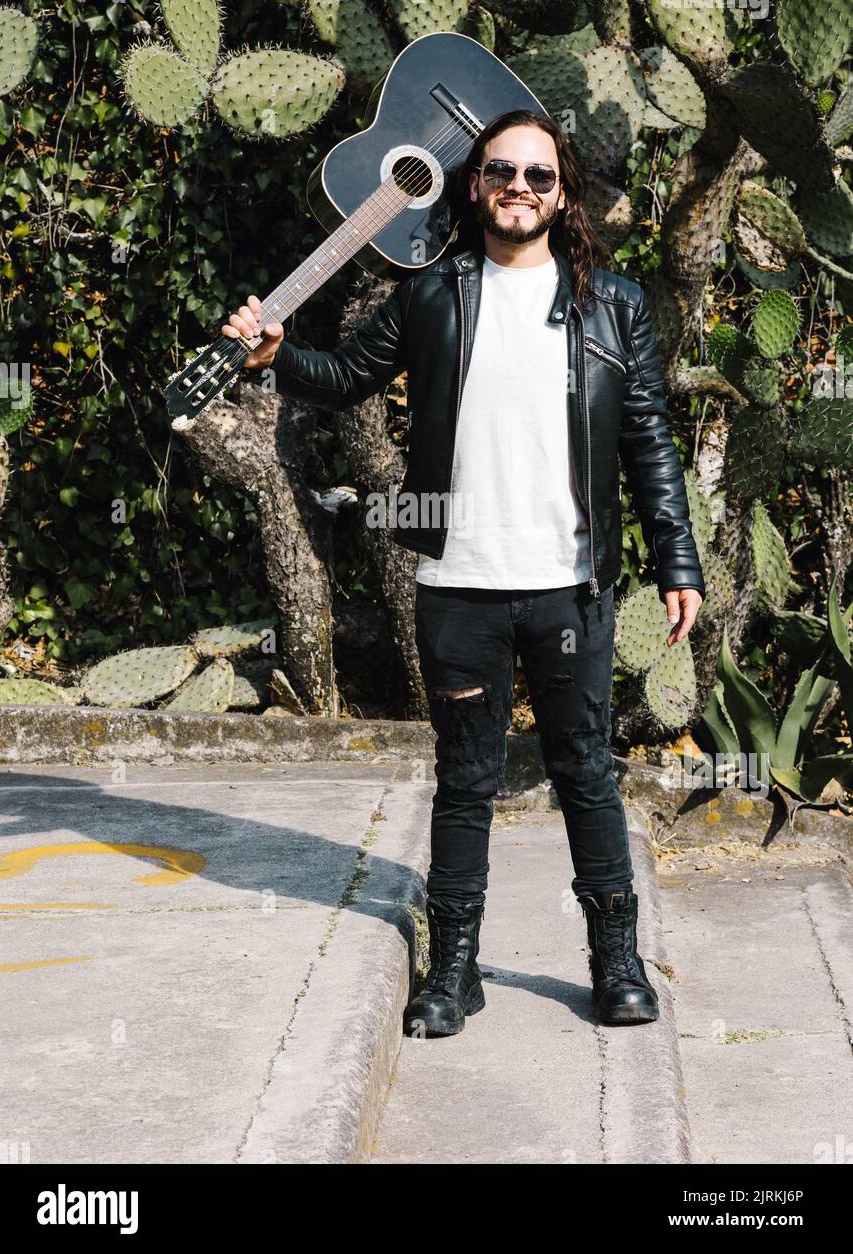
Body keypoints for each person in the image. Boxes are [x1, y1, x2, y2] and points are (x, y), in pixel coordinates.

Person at [221, 109, 705, 1039]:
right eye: (500, 171)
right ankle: (453, 971)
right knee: (465, 779)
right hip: (459, 582)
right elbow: (344, 376)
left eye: (539, 175)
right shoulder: (431, 293)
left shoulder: (615, 304)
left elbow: (648, 440)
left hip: (572, 583)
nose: (519, 187)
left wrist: (675, 558)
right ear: (474, 185)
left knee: (587, 776)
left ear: (563, 197)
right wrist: (277, 359)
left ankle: (617, 965)